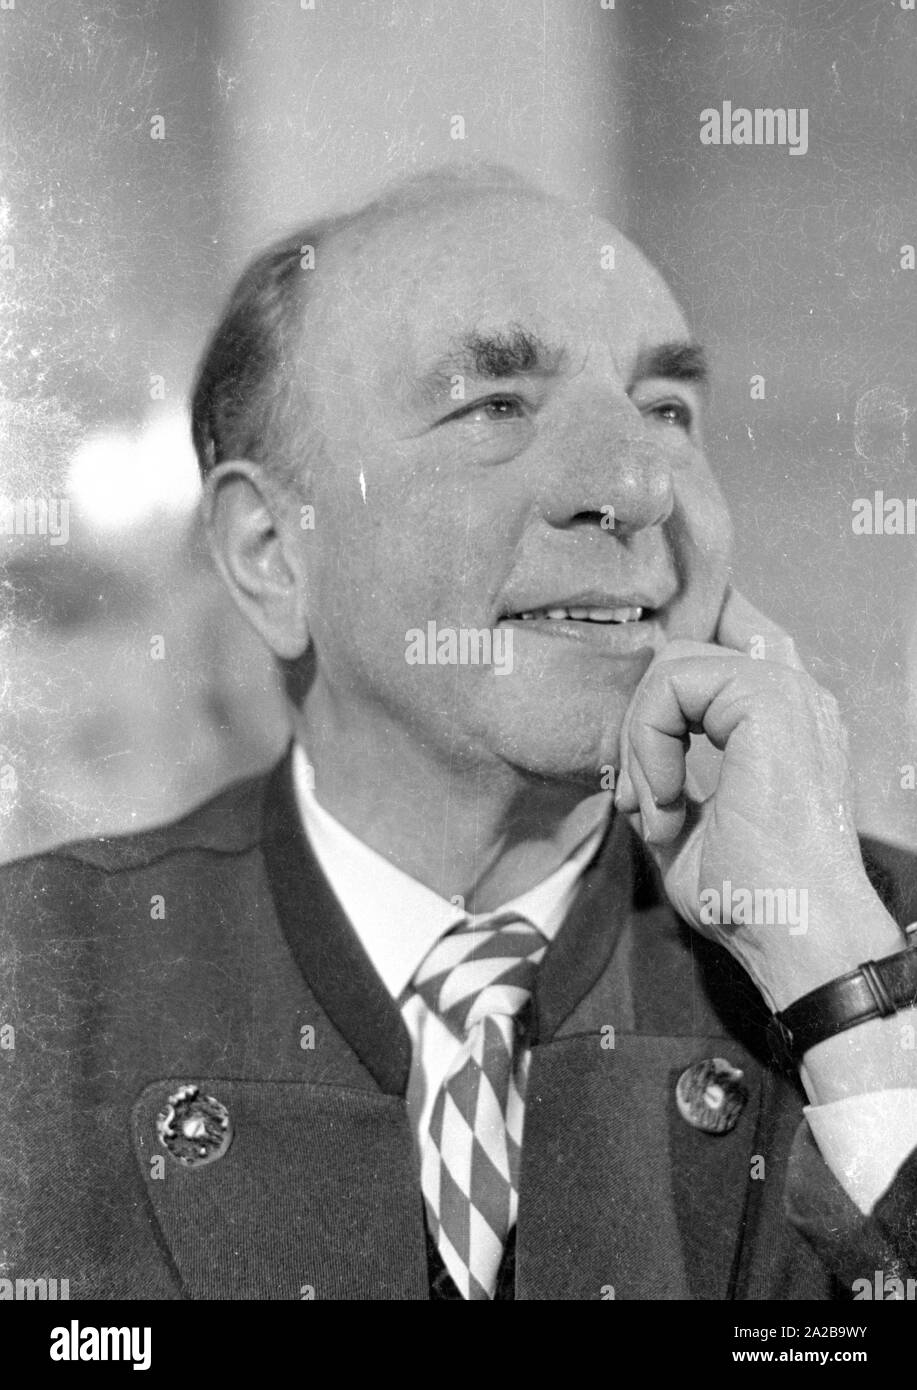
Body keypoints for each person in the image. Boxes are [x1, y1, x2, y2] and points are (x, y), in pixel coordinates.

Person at [3, 165, 916, 1301]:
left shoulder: (875, 943)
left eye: (664, 410)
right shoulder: (33, 983)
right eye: (495, 407)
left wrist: (840, 988)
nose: (634, 484)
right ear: (271, 555)